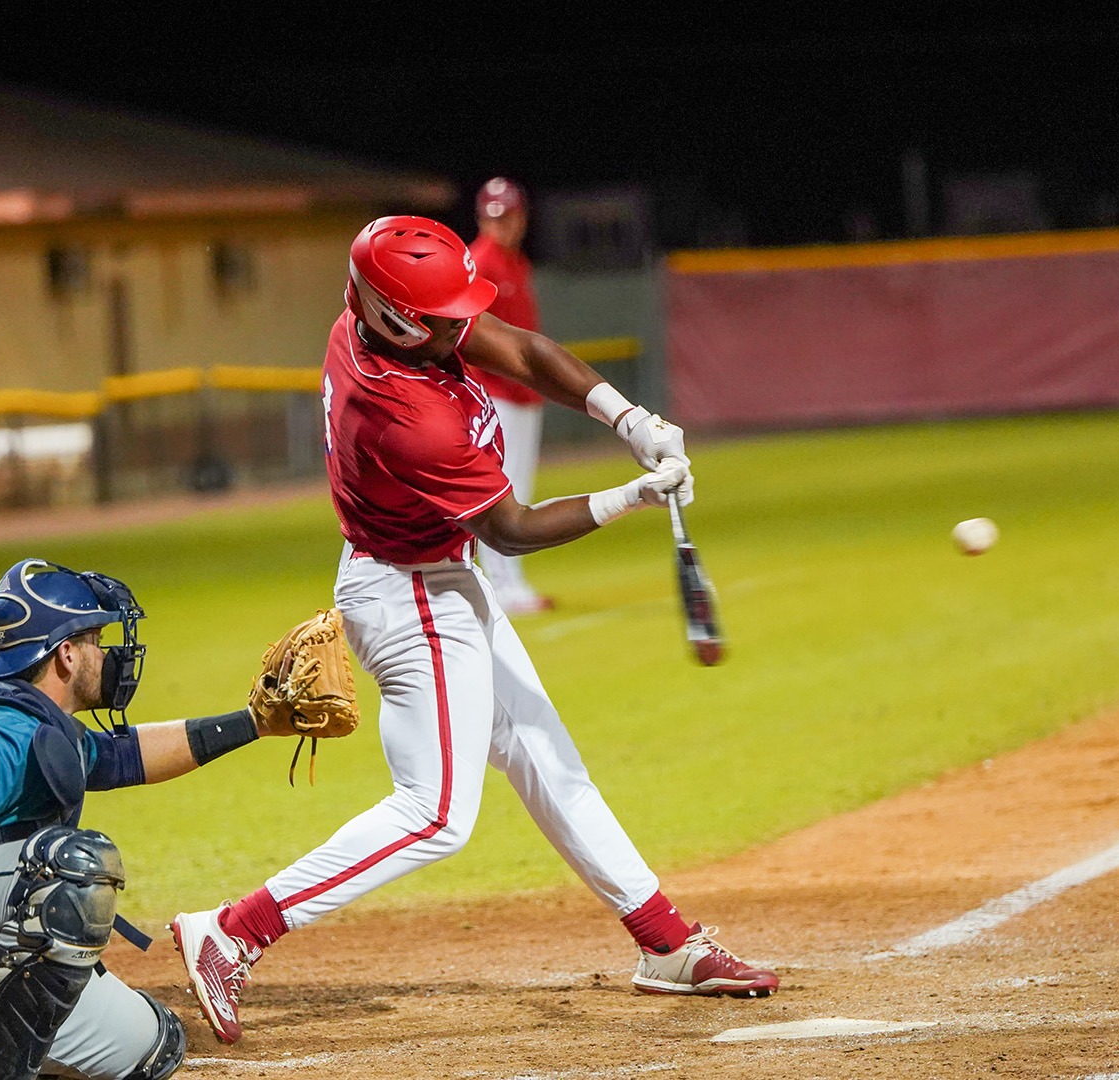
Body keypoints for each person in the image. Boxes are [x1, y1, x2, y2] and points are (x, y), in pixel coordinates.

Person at [169, 216, 776, 1046]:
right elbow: (513, 529)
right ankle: (233, 931)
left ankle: (666, 945)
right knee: (437, 812)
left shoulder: (390, 320)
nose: (461, 324)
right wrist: (629, 497)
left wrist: (630, 420)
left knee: (544, 752)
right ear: (393, 318)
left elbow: (520, 350)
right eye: (443, 315)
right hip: (410, 591)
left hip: (431, 575)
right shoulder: (403, 411)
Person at [0, 559, 342, 1080]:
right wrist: (11, 877)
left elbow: (123, 756)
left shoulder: (37, 726)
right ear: (65, 654)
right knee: (67, 869)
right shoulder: (3, 732)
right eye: (95, 638)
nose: (107, 653)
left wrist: (254, 723)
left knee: (153, 1046)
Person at [467, 178, 555, 615]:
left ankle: (511, 582)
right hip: (494, 392)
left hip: (522, 392)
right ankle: (501, 586)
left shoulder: (516, 263)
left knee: (520, 489)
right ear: (482, 218)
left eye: (508, 216)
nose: (501, 225)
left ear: (521, 217)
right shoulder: (478, 262)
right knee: (502, 492)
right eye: (492, 217)